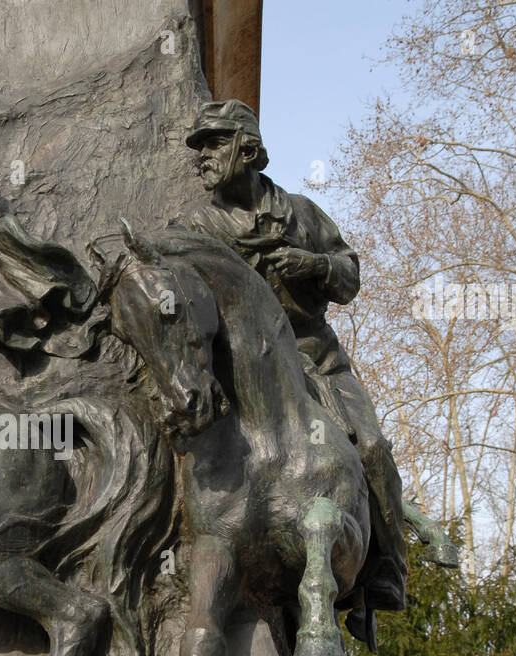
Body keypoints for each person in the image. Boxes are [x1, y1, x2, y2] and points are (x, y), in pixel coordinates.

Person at [175, 99, 408, 610]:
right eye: (199, 147)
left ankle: (388, 566)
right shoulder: (195, 227)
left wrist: (315, 265)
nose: (203, 157)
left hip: (315, 357)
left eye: (214, 143)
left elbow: (350, 277)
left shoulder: (300, 212)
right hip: (244, 371)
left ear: (248, 149)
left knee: (371, 447)